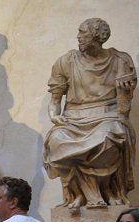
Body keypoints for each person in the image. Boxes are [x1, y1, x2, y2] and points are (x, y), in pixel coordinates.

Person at [44, 17, 136, 211]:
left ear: (97, 37)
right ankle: (79, 194)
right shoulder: (66, 61)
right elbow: (55, 101)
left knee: (109, 138)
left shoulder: (120, 60)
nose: (78, 37)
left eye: (82, 33)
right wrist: (54, 116)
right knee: (56, 140)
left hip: (107, 116)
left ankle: (106, 193)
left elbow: (123, 110)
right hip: (73, 119)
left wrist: (125, 93)